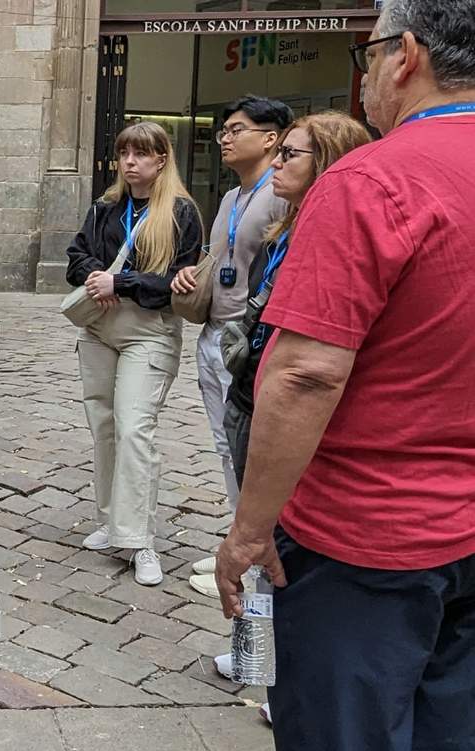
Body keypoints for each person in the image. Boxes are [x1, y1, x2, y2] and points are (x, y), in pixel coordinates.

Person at [215, 0, 475, 751]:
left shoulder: (372, 177)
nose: (362, 74)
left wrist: (249, 528)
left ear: (404, 56)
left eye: (365, 54)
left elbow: (304, 373)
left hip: (366, 537)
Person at [203, 112, 372, 708]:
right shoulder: (284, 224)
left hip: (277, 402)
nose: (276, 162)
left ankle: (280, 676)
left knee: (277, 535)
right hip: (249, 390)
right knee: (257, 520)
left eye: (291, 155)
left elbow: (313, 367)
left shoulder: (327, 235)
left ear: (324, 162)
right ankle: (259, 650)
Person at [66, 121, 204, 587]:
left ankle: (140, 538)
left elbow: (182, 283)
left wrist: (119, 282)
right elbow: (76, 255)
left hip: (149, 330)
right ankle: (111, 522)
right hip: (100, 327)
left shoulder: (181, 213)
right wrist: (93, 277)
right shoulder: (106, 207)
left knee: (134, 429)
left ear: (161, 160)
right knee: (103, 424)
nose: (130, 162)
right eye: (124, 153)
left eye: (141, 154)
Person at [171, 96, 291, 599]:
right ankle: (237, 536)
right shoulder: (229, 198)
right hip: (215, 334)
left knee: (250, 448)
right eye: (223, 129)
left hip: (251, 342)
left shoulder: (281, 195)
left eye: (236, 128)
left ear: (270, 138)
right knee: (225, 447)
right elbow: (217, 257)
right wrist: (188, 273)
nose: (224, 137)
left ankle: (258, 548)